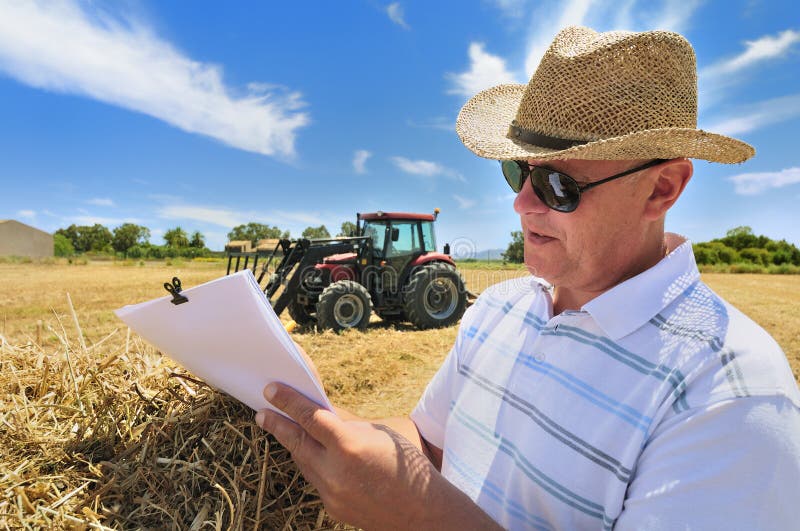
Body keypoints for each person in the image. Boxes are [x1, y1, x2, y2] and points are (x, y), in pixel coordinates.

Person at [255, 26, 800, 530]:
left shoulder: (730, 396)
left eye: (559, 184)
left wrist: (421, 514)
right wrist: (326, 431)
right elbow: (430, 442)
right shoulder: (500, 308)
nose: (521, 203)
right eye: (518, 172)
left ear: (661, 189)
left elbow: (421, 496)